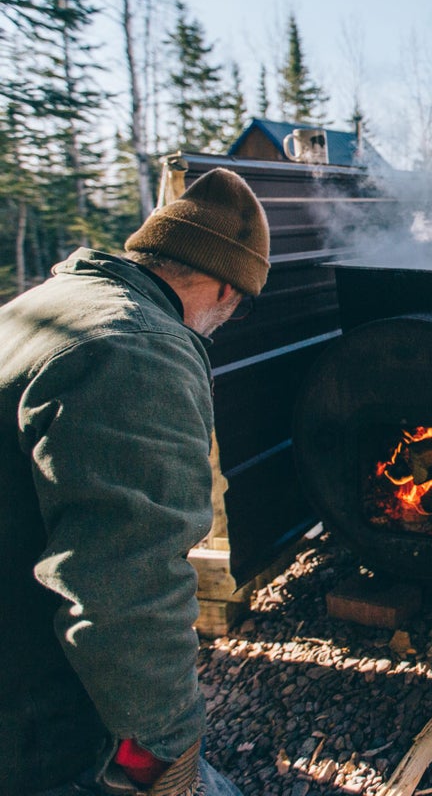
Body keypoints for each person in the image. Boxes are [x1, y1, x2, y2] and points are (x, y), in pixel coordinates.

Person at [0, 168, 270, 796]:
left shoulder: (37, 308)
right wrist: (165, 754)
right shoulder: (140, 349)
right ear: (226, 286)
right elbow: (129, 580)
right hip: (33, 714)